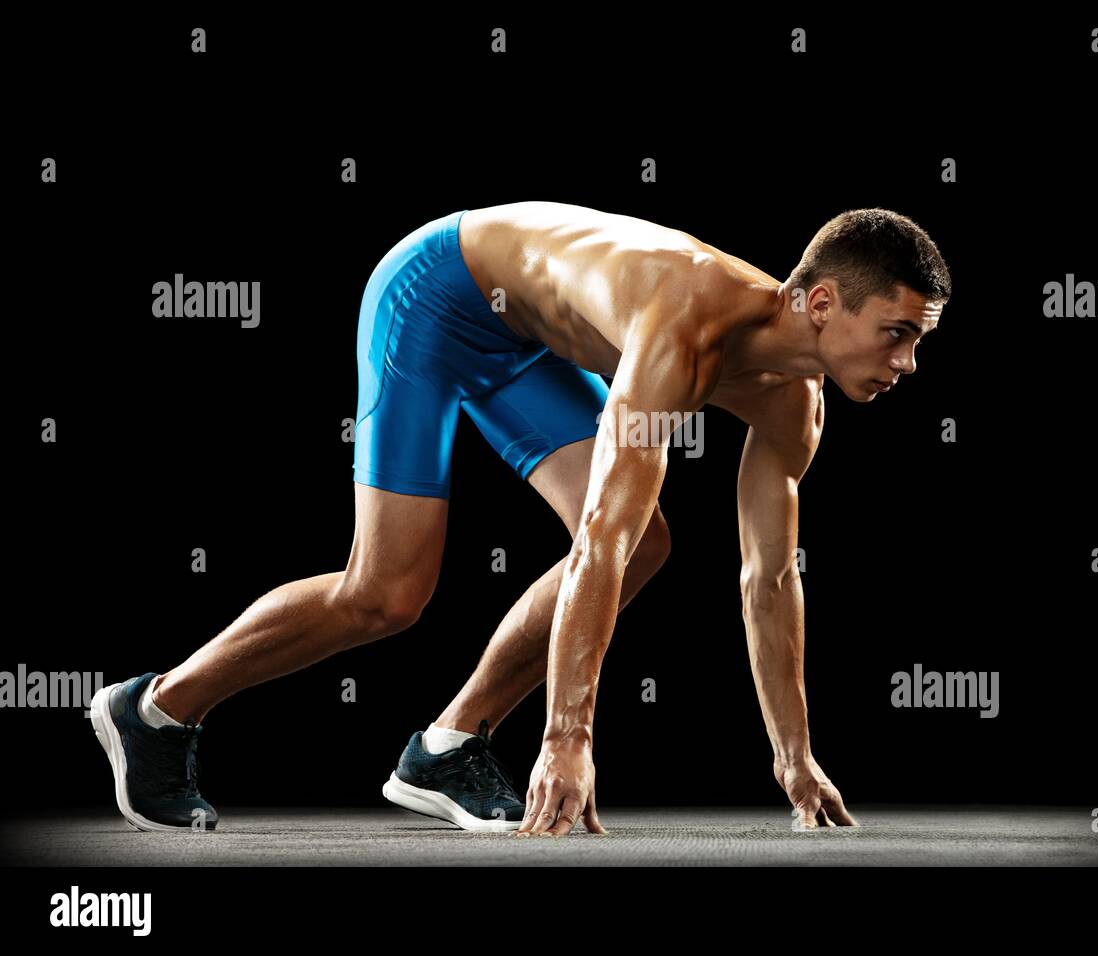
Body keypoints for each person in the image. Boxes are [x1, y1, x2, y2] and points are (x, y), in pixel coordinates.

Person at [90, 201, 951, 836]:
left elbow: (766, 578)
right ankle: (157, 709)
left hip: (525, 340)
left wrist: (792, 755)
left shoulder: (796, 407)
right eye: (896, 333)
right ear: (823, 302)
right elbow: (599, 543)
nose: (908, 363)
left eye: (919, 341)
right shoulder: (686, 325)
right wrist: (567, 736)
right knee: (387, 594)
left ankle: (447, 745)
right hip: (438, 293)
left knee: (650, 543)